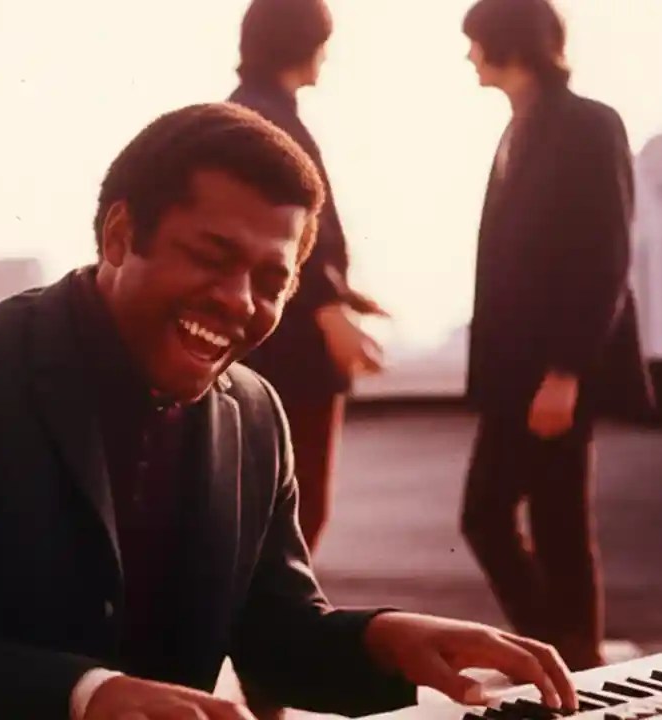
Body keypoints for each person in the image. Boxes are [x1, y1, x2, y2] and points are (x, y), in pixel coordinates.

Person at [0, 101, 579, 719]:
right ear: (119, 236)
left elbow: (278, 639)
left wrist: (385, 639)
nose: (239, 304)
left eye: (270, 280)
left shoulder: (254, 414)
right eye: (213, 258)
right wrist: (86, 699)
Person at [458, 0, 654, 672]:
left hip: (553, 371)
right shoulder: (518, 129)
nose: (468, 57)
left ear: (505, 43)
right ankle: (572, 658)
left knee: (498, 516)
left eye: (474, 42)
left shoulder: (589, 125)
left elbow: (606, 257)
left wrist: (567, 372)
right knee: (552, 520)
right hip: (517, 371)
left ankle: (563, 656)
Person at [228, 0, 388, 557]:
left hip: (273, 342)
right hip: (292, 349)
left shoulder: (248, 113)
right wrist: (328, 309)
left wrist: (344, 297)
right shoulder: (270, 120)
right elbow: (282, 237)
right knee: (295, 514)